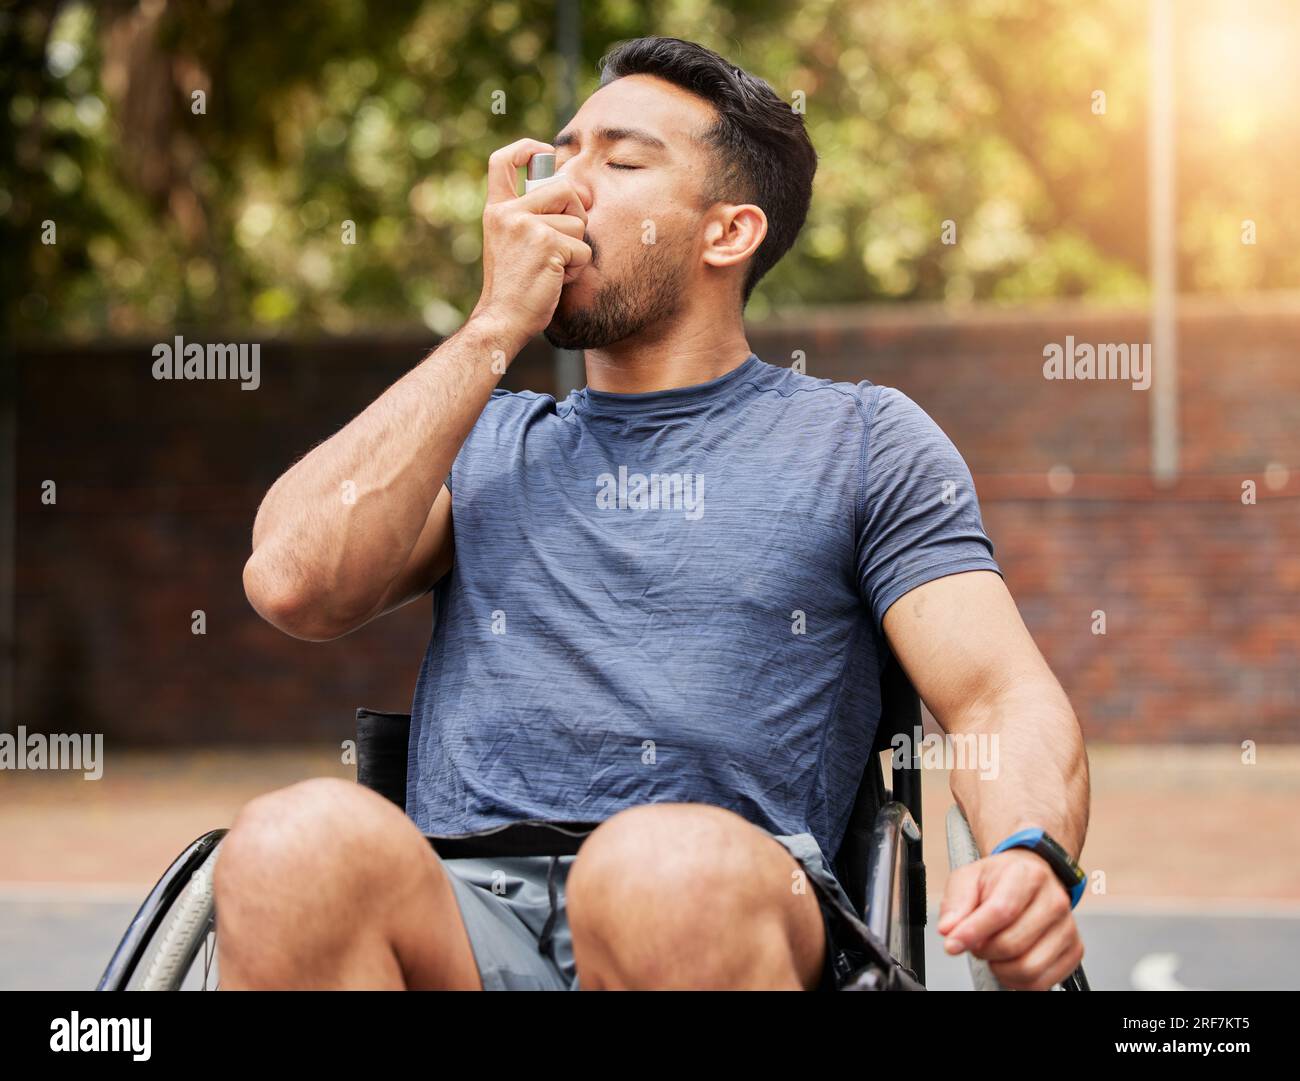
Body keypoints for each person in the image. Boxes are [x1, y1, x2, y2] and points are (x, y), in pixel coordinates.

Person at [215, 36, 1088, 991]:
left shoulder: (863, 440)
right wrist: (491, 327)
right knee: (292, 842)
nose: (564, 184)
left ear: (727, 234)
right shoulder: (484, 438)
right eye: (565, 152)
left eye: (621, 162)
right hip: (464, 917)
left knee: (654, 869)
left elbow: (999, 695)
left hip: (726, 898)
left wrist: (1027, 851)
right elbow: (293, 582)